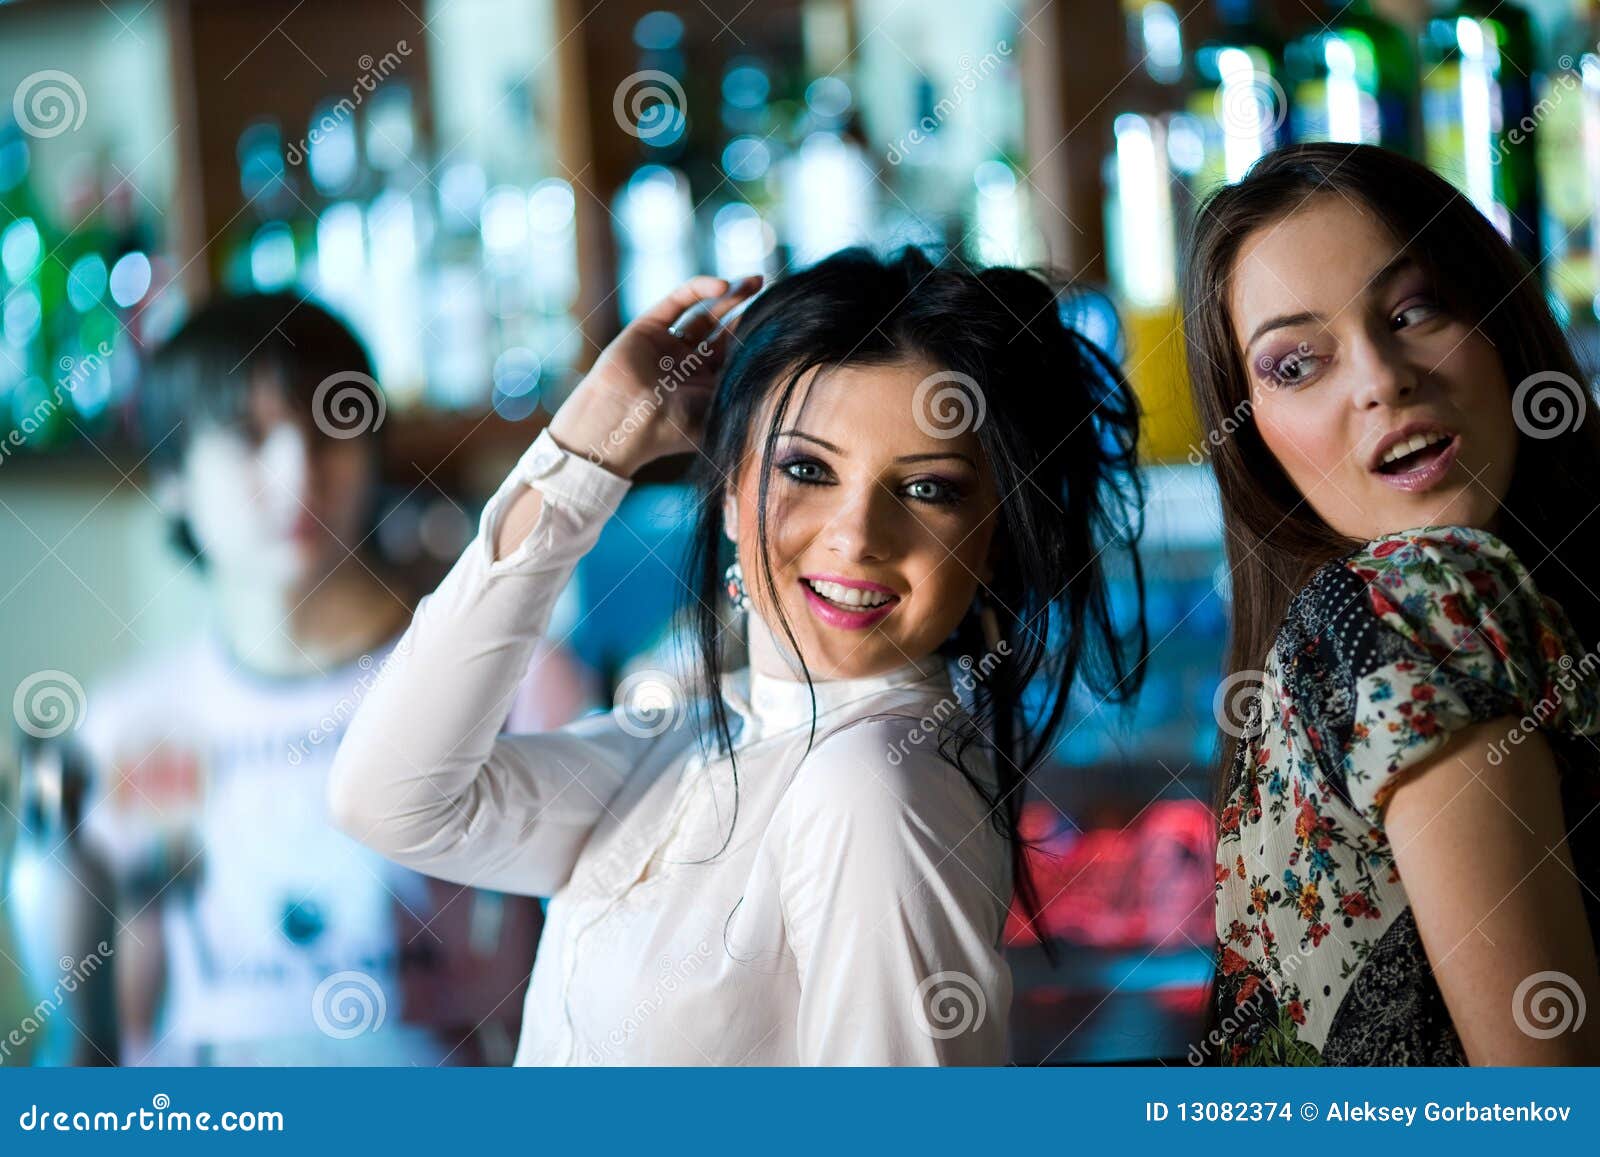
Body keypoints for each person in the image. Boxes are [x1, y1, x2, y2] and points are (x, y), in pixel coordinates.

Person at [329, 247, 1149, 1065]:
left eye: (927, 488)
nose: (857, 536)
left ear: (994, 540)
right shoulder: (679, 745)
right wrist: (591, 438)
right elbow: (389, 800)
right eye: (807, 469)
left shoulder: (871, 782)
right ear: (728, 490)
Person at [1183, 142, 1600, 1064]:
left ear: (1498, 323)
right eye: (1296, 365)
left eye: (1414, 310)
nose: (1380, 379)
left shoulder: (1340, 645)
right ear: (1252, 441)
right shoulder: (1421, 600)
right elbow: (1550, 1110)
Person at [68, 294, 554, 1065]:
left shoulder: (513, 679)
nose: (296, 472)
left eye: (331, 429)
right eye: (247, 436)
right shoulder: (137, 720)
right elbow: (113, 1028)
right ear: (172, 476)